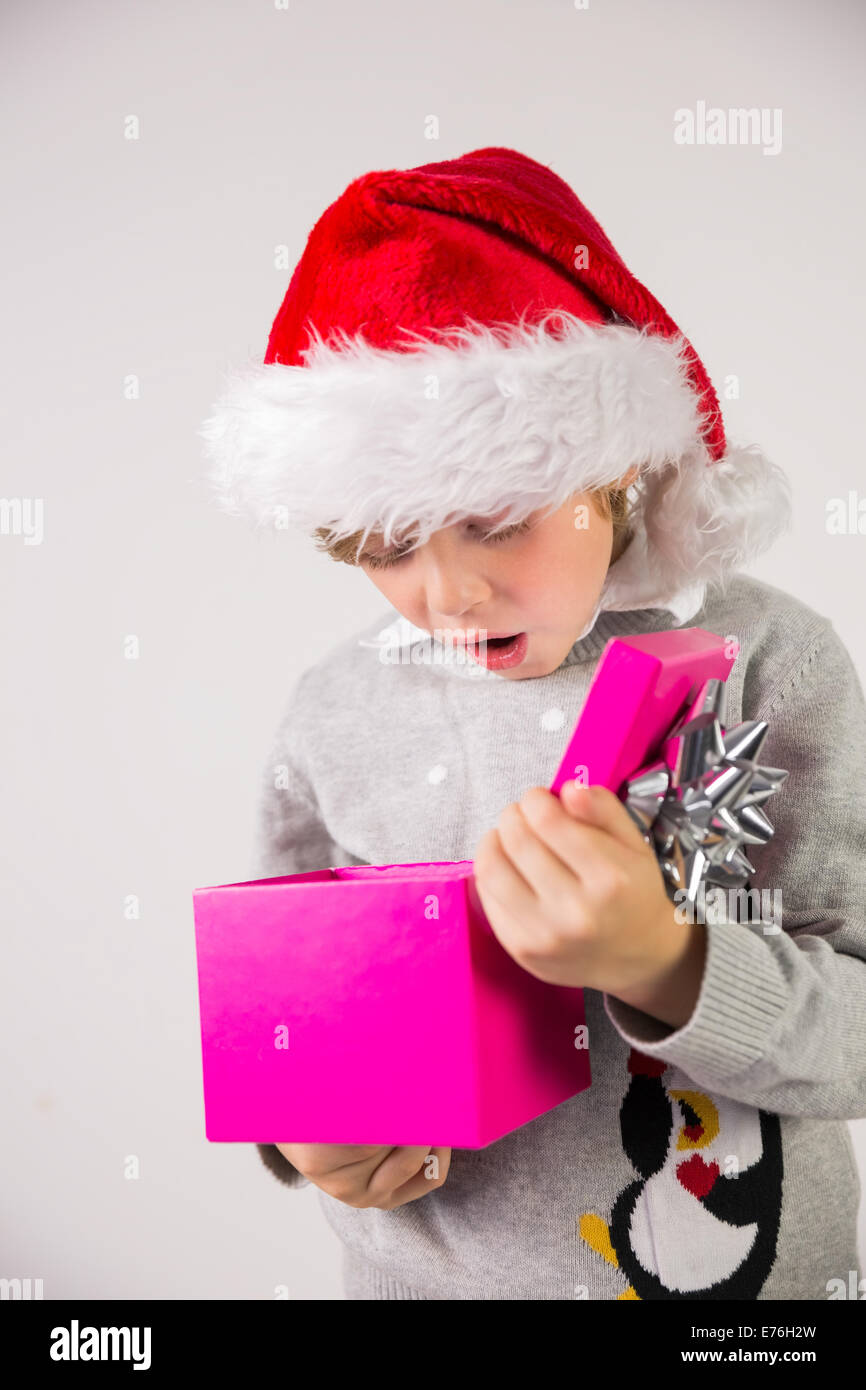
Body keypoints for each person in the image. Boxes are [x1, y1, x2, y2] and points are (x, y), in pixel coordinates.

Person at [198, 146, 866, 1300]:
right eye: (386, 545)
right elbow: (285, 1026)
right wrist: (309, 1135)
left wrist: (666, 961)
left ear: (613, 476)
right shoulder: (337, 708)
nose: (446, 596)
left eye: (497, 519)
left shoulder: (767, 661)